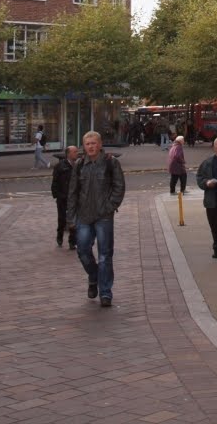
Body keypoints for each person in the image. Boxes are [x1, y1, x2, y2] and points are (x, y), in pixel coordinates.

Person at [67, 130, 125, 307]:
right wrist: (71, 217)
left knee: (105, 255)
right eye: (87, 144)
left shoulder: (110, 162)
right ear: (83, 146)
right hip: (84, 215)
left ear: (100, 145)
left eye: (93, 143)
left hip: (103, 216)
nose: (91, 147)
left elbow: (119, 186)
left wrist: (110, 206)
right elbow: (73, 192)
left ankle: (105, 292)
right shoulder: (79, 164)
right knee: (83, 251)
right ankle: (93, 276)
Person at [50, 145, 79, 249]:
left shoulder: (78, 165)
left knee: (73, 220)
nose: (77, 153)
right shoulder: (60, 166)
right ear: (68, 154)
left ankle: (72, 242)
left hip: (74, 198)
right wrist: (58, 195)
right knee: (62, 219)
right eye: (75, 152)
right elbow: (55, 182)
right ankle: (60, 236)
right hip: (62, 197)